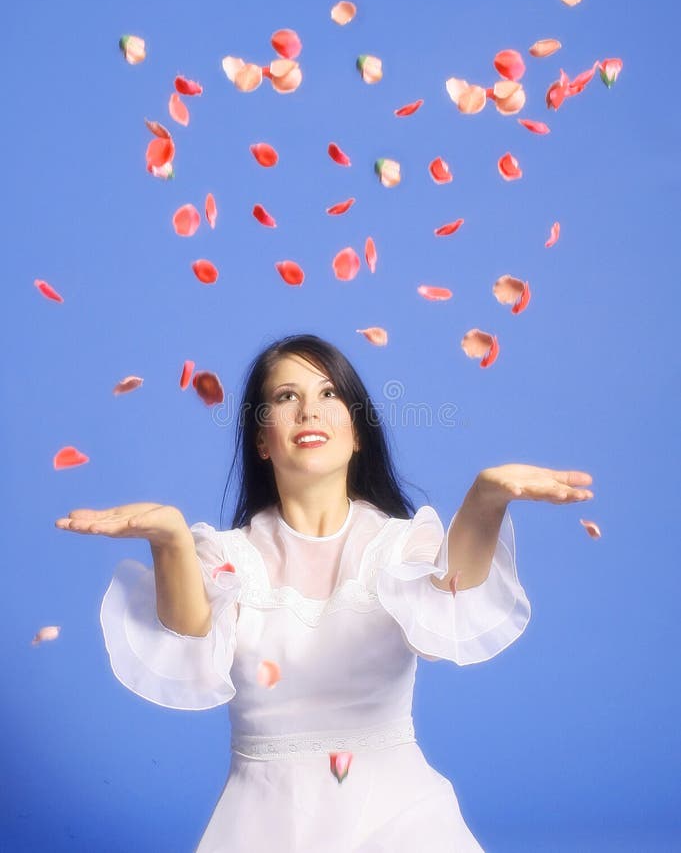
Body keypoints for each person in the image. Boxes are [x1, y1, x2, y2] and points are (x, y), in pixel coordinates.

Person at [55, 333, 595, 852]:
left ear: (358, 433)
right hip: (263, 825)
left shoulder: (400, 545)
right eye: (286, 397)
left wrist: (484, 502)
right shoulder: (226, 555)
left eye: (329, 394)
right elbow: (190, 630)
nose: (309, 411)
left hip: (400, 823)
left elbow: (451, 597)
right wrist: (170, 539)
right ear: (261, 440)